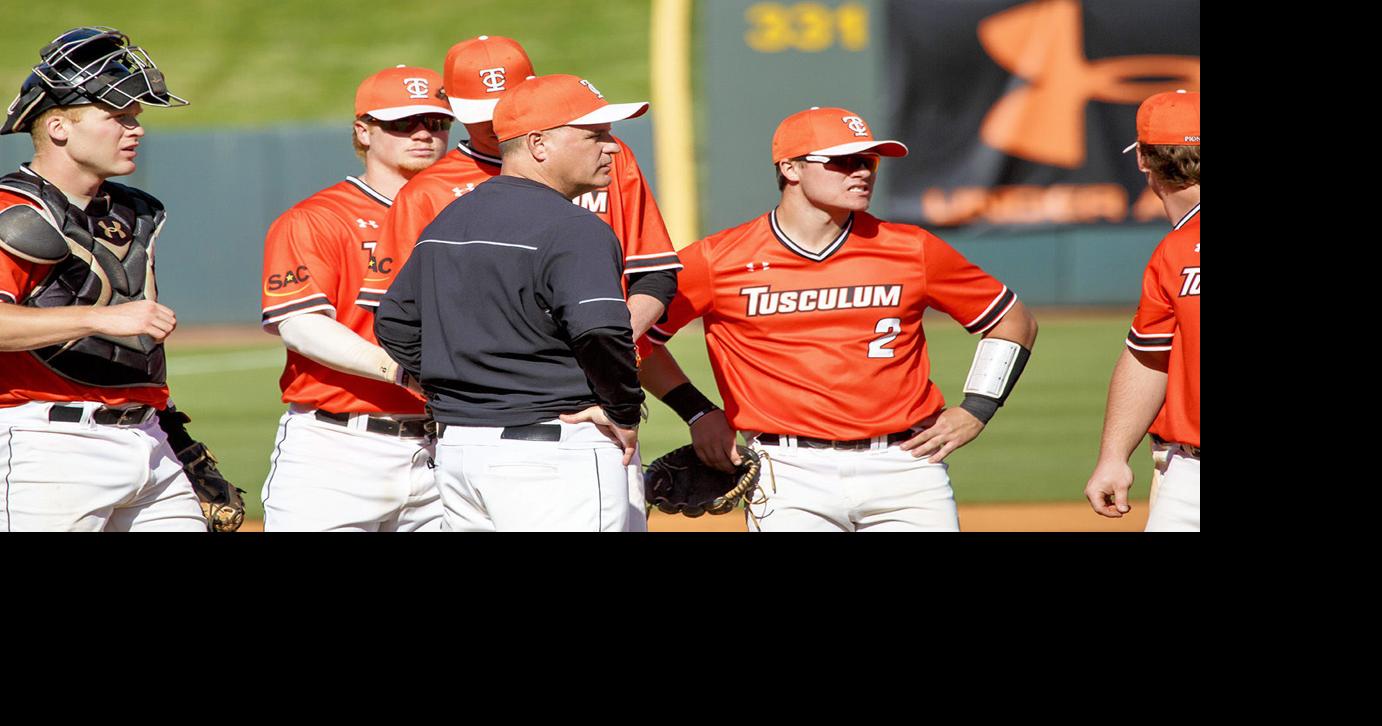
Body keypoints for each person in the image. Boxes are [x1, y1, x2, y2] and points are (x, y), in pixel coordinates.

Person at [638, 106, 1039, 532]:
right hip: (786, 472)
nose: (861, 172)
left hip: (906, 467)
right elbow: (632, 337)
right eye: (842, 161)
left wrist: (977, 407)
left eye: (867, 161)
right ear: (790, 168)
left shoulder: (911, 249)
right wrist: (698, 412)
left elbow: (1012, 320)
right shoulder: (718, 260)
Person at [375, 74, 649, 532]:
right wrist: (622, 410)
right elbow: (601, 330)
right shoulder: (574, 227)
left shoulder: (451, 218)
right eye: (595, 135)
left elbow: (395, 323)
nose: (614, 148)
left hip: (460, 455)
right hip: (552, 456)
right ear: (539, 144)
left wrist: (467, 388)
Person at [0, 26, 208, 531]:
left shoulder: (131, 212)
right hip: (46, 448)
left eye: (136, 117)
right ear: (58, 129)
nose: (135, 128)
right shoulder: (14, 211)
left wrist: (171, 426)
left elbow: (134, 343)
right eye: (117, 116)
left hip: (149, 442)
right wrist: (101, 318)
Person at [370, 35, 680, 340]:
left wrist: (609, 343)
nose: (495, 122)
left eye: (507, 106)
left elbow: (653, 272)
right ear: (452, 106)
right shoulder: (425, 192)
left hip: (603, 370)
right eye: (481, 113)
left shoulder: (606, 157)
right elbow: (397, 314)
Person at [258, 65, 453, 531]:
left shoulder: (471, 218)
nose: (423, 133)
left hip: (447, 448)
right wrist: (400, 372)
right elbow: (301, 325)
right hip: (339, 450)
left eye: (437, 122)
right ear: (363, 132)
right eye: (403, 123)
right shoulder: (318, 218)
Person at [1084, 90, 1199, 531]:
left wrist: (1113, 457)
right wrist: (1114, 454)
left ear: (1143, 161)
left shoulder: (1174, 252)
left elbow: (1146, 357)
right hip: (1186, 476)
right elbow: (1149, 352)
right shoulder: (1172, 250)